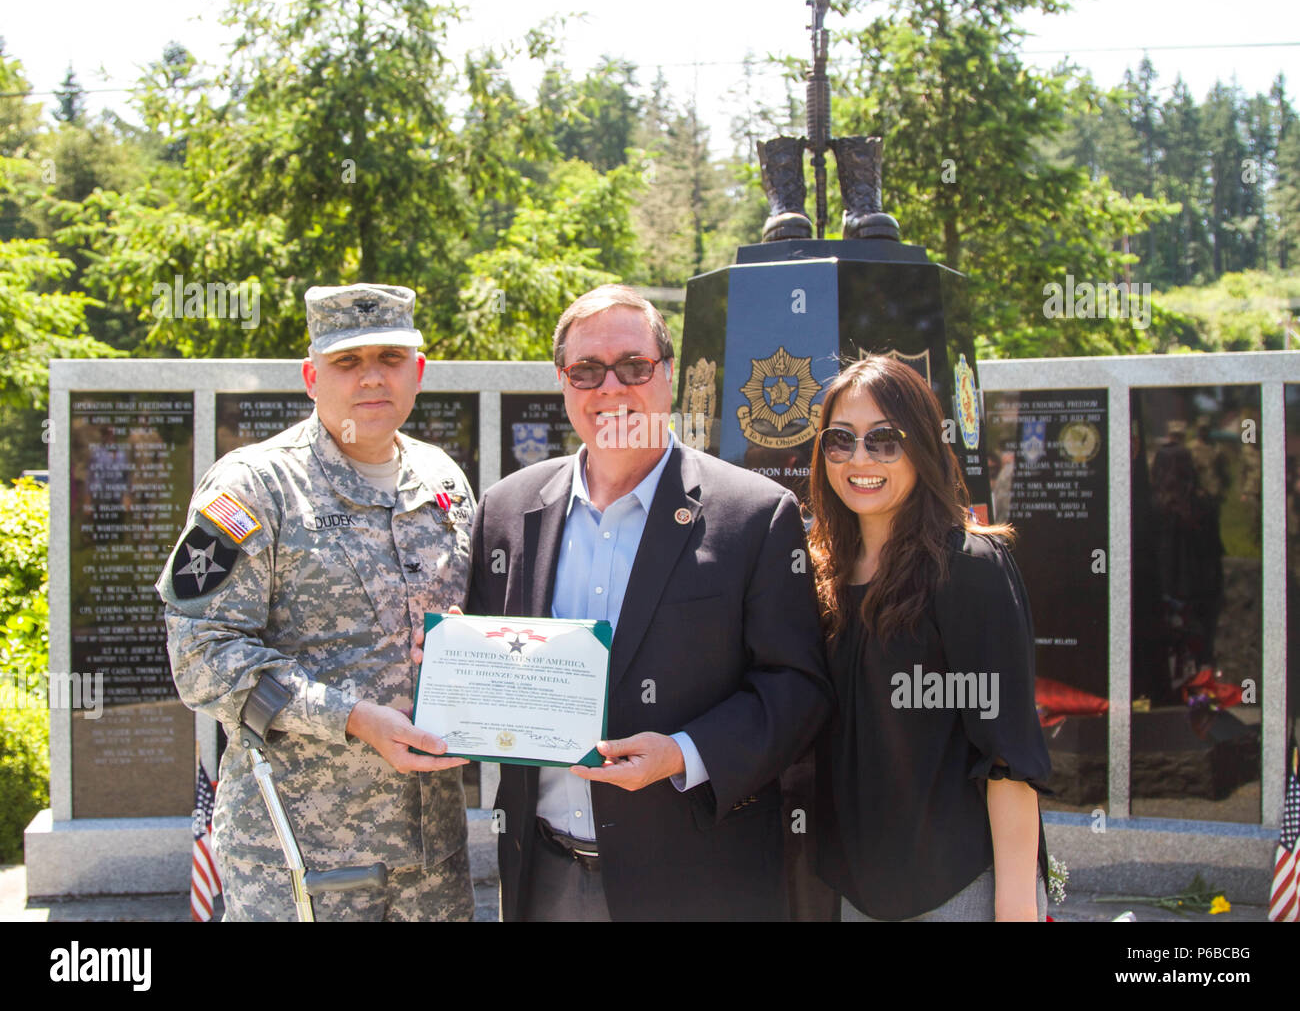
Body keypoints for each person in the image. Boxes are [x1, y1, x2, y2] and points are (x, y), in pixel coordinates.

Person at [465, 284, 830, 921]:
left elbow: (796, 688)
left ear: (667, 375)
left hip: (697, 883)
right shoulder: (505, 510)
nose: (611, 388)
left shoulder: (753, 515)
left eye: (634, 366)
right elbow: (489, 677)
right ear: (562, 381)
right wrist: (452, 667)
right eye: (586, 370)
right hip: (543, 876)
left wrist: (684, 753)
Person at [157, 284, 475, 922]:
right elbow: (201, 656)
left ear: (418, 373)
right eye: (347, 362)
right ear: (311, 376)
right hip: (302, 858)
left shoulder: (444, 480)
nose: (370, 378)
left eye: (389, 358)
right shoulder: (254, 486)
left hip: (433, 856)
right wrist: (352, 717)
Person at [809, 355, 1050, 922]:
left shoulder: (968, 567)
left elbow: (1008, 755)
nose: (860, 458)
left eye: (885, 441)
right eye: (840, 440)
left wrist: (1015, 905)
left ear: (921, 445)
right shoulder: (820, 570)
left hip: (957, 888)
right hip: (856, 889)